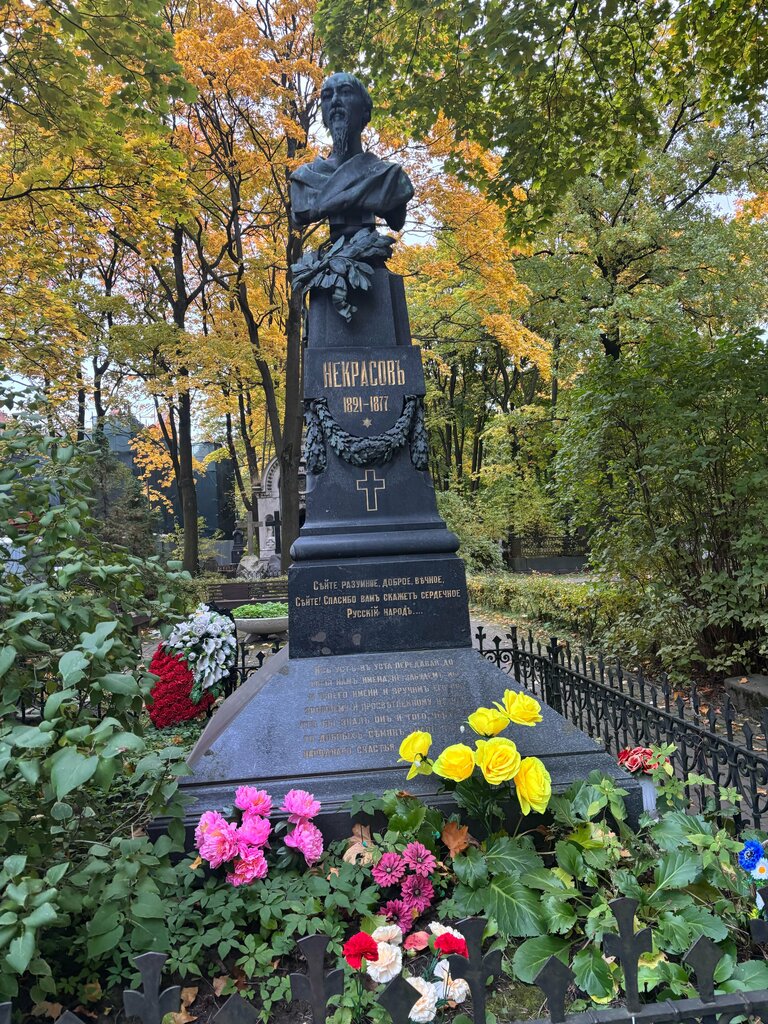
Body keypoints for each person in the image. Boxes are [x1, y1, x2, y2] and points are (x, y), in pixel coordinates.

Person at [290, 72, 414, 239]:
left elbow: (397, 221)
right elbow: (300, 215)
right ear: (325, 118)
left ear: (365, 112)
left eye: (345, 92)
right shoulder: (304, 179)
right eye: (327, 96)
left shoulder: (390, 177)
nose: (335, 101)